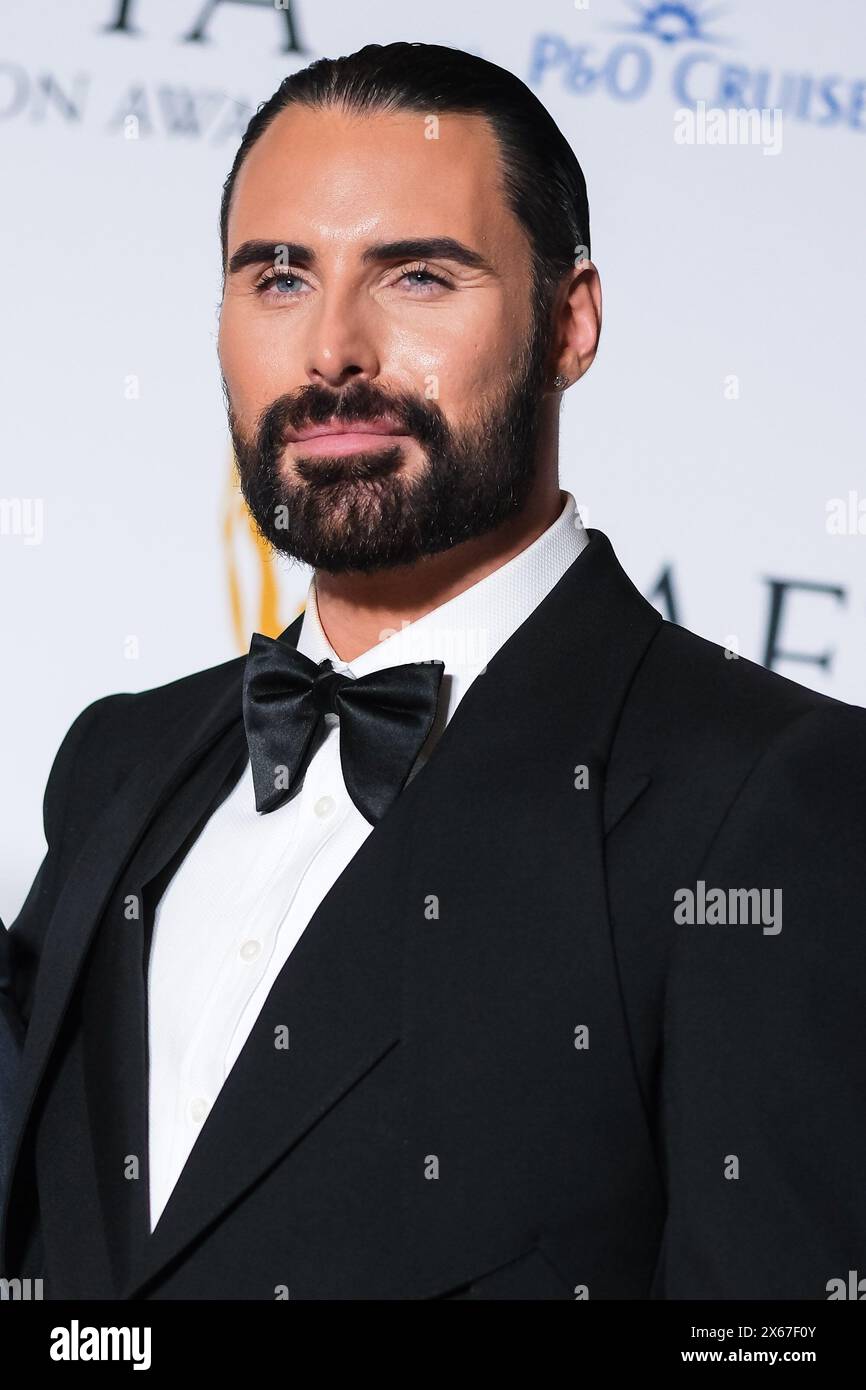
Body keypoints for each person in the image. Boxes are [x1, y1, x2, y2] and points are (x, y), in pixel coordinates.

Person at [2, 41, 865, 1301]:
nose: (334, 350)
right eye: (280, 276)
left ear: (568, 323)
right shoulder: (118, 761)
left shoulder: (765, 800)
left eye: (415, 275)